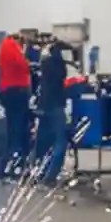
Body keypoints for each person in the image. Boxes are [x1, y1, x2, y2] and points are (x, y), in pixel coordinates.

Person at [33, 38, 70, 184]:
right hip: (56, 106)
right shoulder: (59, 65)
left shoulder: (45, 64)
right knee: (60, 141)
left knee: (44, 141)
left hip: (44, 106)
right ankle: (51, 175)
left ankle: (38, 172)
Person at [0, 31, 32, 176]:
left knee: (13, 128)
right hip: (17, 92)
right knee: (18, 129)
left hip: (8, 91)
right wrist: (28, 62)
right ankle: (12, 163)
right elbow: (23, 65)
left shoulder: (4, 47)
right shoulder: (11, 45)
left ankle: (7, 164)